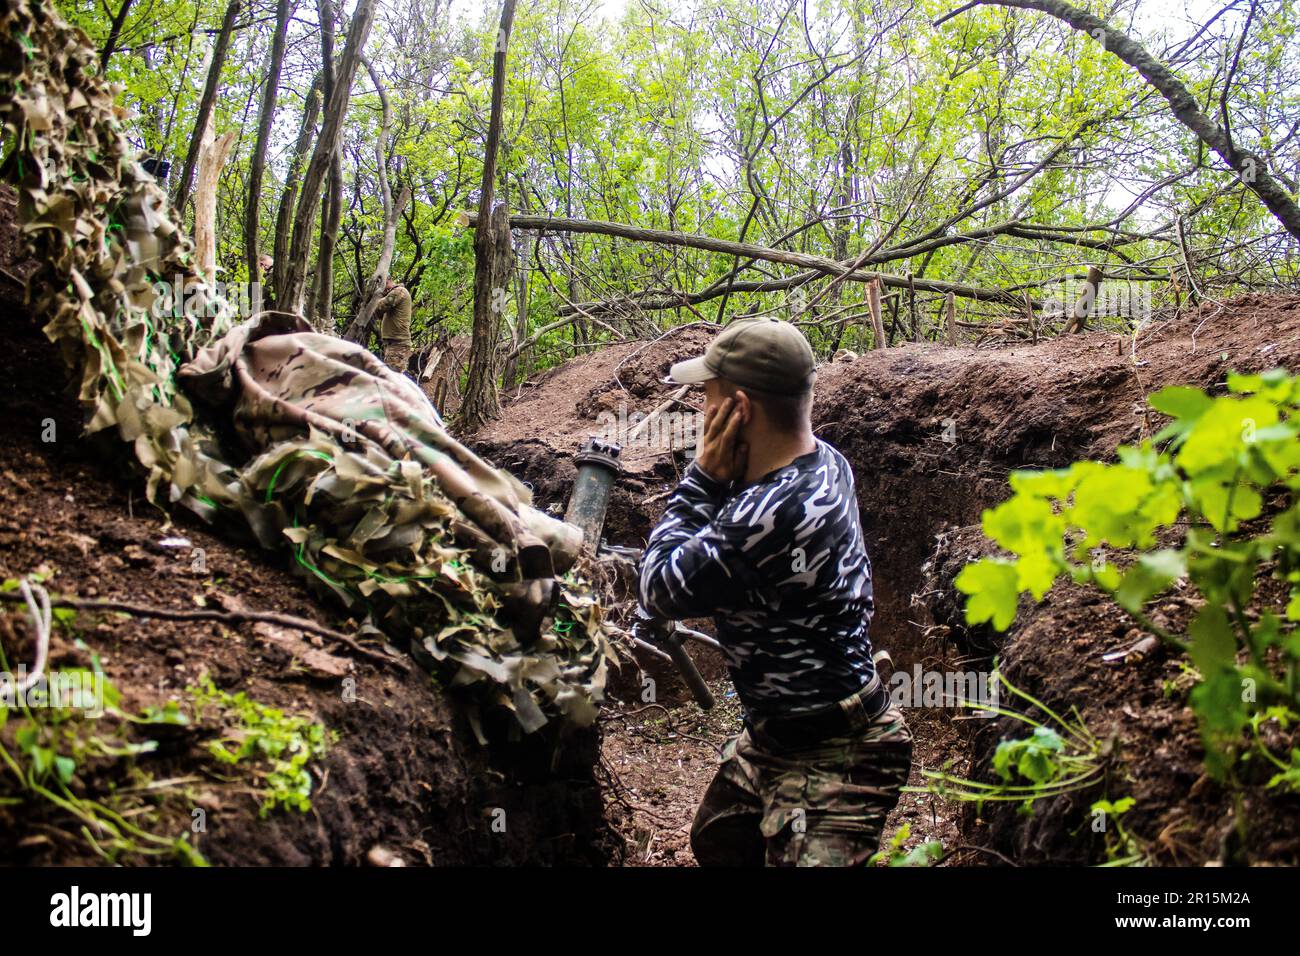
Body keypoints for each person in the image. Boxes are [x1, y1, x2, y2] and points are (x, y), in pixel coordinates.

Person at [638, 318, 912, 867]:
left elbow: (659, 588)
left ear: (737, 409)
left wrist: (702, 480)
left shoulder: (765, 516)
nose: (700, 416)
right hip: (778, 735)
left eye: (706, 401)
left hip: (837, 753)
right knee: (720, 839)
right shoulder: (825, 461)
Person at [374, 277, 413, 373]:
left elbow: (379, 307)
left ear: (387, 281)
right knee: (392, 377)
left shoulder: (399, 291)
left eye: (381, 285)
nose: (381, 288)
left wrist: (377, 297)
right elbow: (378, 314)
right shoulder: (394, 294)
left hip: (398, 344)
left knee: (393, 377)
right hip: (394, 344)